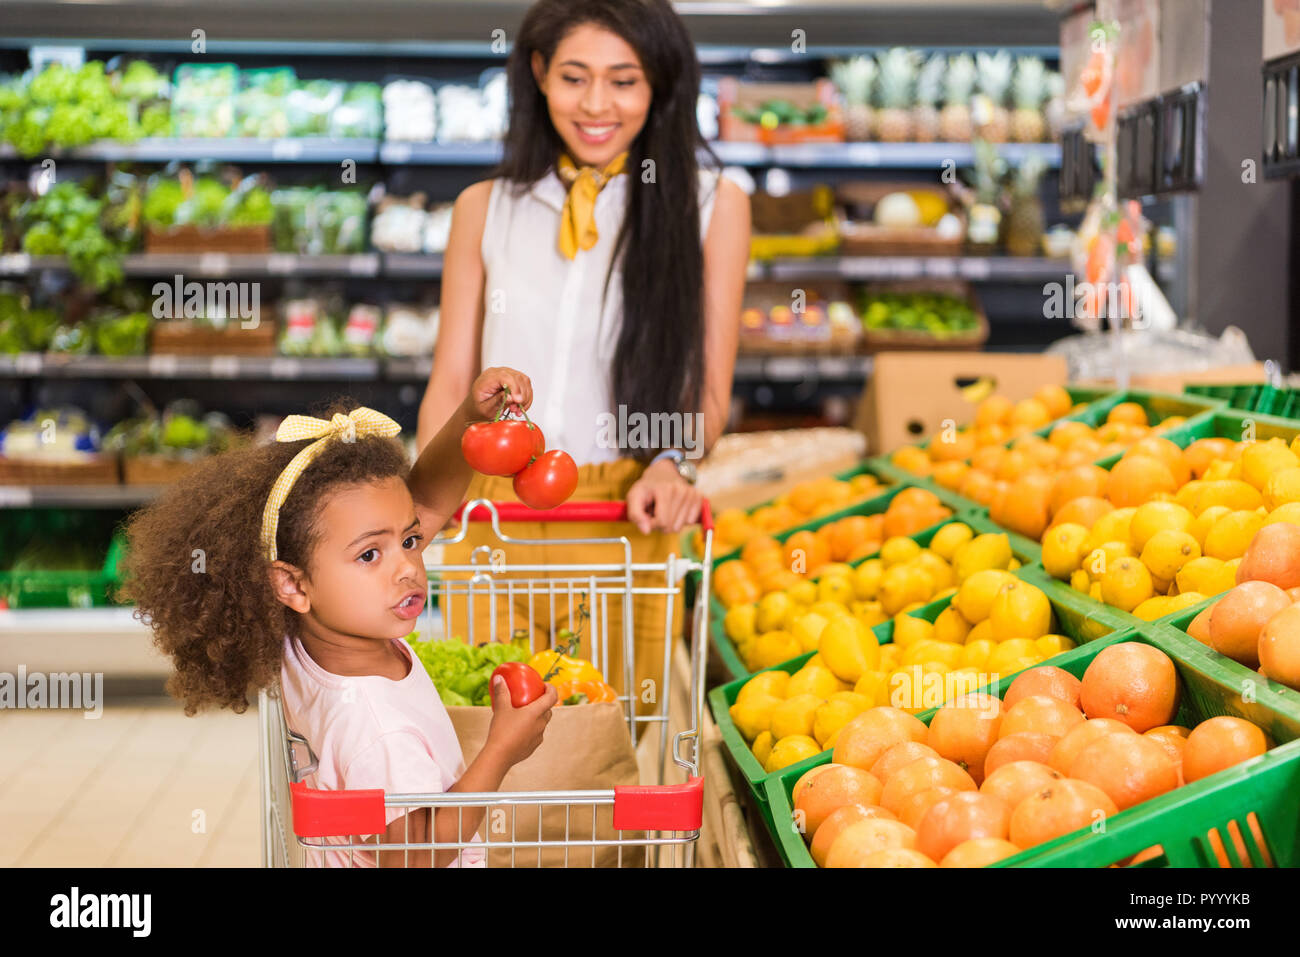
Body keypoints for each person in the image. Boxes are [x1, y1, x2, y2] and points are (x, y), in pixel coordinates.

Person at [419, 0, 750, 703]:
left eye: (623, 80)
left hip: (622, 520)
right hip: (489, 519)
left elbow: (709, 390)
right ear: (538, 73)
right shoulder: (485, 206)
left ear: (658, 83)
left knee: (599, 765)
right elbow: (452, 377)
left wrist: (672, 463)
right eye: (574, 76)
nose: (597, 104)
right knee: (484, 749)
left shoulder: (714, 205)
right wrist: (424, 503)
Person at [123, 369, 557, 867]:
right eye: (371, 554)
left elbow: (429, 502)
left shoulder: (305, 633)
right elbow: (418, 860)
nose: (407, 568)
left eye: (410, 541)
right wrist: (500, 750)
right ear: (293, 584)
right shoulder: (379, 730)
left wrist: (467, 419)